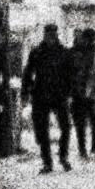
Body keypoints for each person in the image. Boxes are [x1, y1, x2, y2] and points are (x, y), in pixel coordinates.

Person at [23, 22, 75, 171]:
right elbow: (28, 73)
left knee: (65, 127)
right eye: (48, 34)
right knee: (41, 130)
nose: (51, 36)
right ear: (45, 35)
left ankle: (63, 156)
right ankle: (47, 161)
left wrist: (70, 92)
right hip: (41, 94)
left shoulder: (64, 53)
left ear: (56, 34)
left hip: (59, 94)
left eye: (53, 33)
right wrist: (26, 91)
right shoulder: (37, 52)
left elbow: (70, 74)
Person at [68, 23, 95, 160]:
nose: (91, 41)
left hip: (86, 92)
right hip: (81, 93)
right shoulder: (76, 53)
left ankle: (89, 149)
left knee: (89, 122)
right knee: (88, 123)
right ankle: (87, 149)